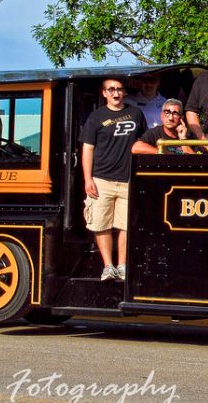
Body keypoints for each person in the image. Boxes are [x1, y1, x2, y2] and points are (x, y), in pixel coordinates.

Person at [80, 78, 147, 281]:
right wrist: (87, 179)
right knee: (102, 224)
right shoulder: (96, 117)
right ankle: (108, 266)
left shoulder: (136, 113)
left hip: (128, 179)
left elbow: (143, 143)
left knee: (126, 225)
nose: (116, 93)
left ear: (124, 92)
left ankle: (123, 265)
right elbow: (88, 149)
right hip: (102, 179)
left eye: (119, 89)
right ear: (104, 93)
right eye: (112, 89)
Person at [131, 98, 197, 155]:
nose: (170, 118)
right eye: (167, 113)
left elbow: (196, 161)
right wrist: (163, 153)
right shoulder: (154, 133)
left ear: (181, 118)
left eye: (175, 114)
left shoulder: (188, 134)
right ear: (161, 116)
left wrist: (183, 139)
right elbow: (136, 148)